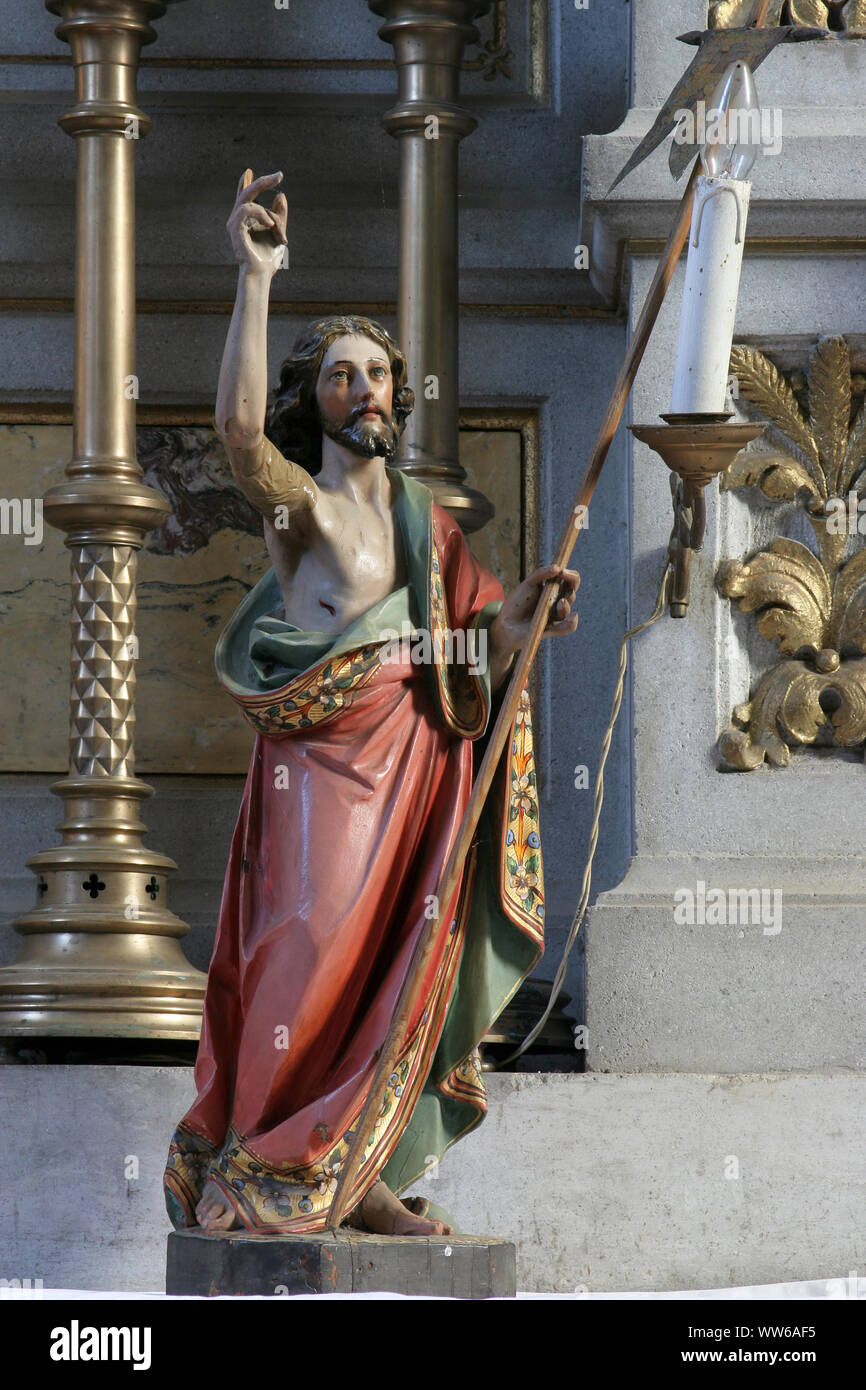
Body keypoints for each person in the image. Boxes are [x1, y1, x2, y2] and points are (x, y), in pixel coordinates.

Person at [163, 169, 579, 1237]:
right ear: (319, 397)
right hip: (321, 773)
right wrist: (256, 277)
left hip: (412, 768)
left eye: (380, 374)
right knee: (303, 954)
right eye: (343, 376)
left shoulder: (422, 524)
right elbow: (239, 436)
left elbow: (444, 648)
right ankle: (258, 1165)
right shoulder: (299, 511)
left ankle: (358, 1177)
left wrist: (513, 622)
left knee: (398, 965)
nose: (366, 391)